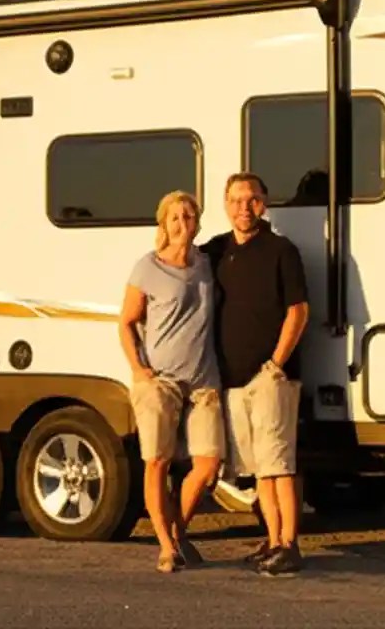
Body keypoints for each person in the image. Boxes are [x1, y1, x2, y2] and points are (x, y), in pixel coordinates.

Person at [201, 172, 309, 576]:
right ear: (225, 204)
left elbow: (298, 311)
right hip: (234, 379)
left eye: (252, 199)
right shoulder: (217, 250)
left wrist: (275, 365)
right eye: (236, 200)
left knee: (280, 463)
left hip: (271, 378)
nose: (243, 208)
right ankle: (272, 539)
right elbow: (177, 258)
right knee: (260, 467)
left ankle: (290, 544)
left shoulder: (282, 251)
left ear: (264, 203)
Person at [117, 190, 226, 573]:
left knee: (209, 464)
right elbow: (127, 321)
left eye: (190, 216)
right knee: (158, 462)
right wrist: (138, 368)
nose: (184, 223)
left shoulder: (207, 264)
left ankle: (178, 531)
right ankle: (166, 546)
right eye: (176, 217)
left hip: (203, 379)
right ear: (163, 224)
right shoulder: (148, 267)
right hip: (160, 381)